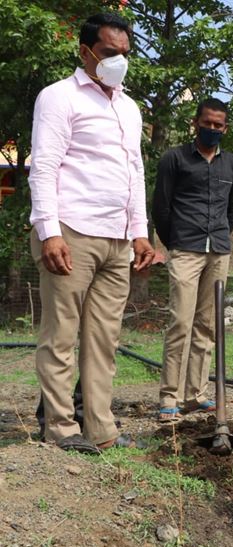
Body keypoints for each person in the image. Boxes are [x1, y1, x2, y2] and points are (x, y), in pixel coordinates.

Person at [28, 13, 155, 454]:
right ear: (85, 53)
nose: (118, 61)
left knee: (104, 340)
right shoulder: (58, 98)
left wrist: (140, 232)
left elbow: (134, 172)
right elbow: (43, 166)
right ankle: (61, 428)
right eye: (108, 53)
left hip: (118, 238)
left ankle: (101, 428)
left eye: (124, 54)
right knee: (61, 334)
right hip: (71, 231)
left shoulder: (128, 107)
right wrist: (49, 232)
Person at [152, 98, 233, 423]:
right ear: (196, 123)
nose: (213, 129)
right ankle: (169, 398)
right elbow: (160, 208)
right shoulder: (174, 159)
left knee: (207, 326)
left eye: (219, 125)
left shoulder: (231, 164)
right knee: (180, 323)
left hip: (219, 251)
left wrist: (223, 234)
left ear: (225, 128)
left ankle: (196, 394)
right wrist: (174, 241)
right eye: (208, 123)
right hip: (185, 250)